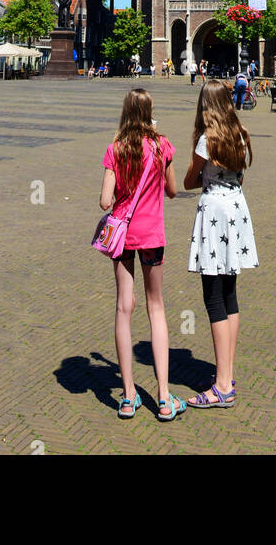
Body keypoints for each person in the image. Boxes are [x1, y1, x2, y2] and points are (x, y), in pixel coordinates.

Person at [99, 88, 185, 422]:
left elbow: (106, 201)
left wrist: (121, 188)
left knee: (124, 306)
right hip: (152, 235)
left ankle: (128, 396)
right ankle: (164, 398)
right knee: (156, 307)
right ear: (150, 112)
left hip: (122, 238)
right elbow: (173, 191)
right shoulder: (163, 146)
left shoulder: (116, 148)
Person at [183, 80, 258, 408]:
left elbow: (188, 181)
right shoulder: (240, 134)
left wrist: (203, 177)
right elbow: (240, 175)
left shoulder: (205, 139)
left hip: (214, 213)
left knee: (213, 298)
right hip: (238, 210)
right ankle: (226, 370)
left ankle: (222, 386)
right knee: (230, 294)